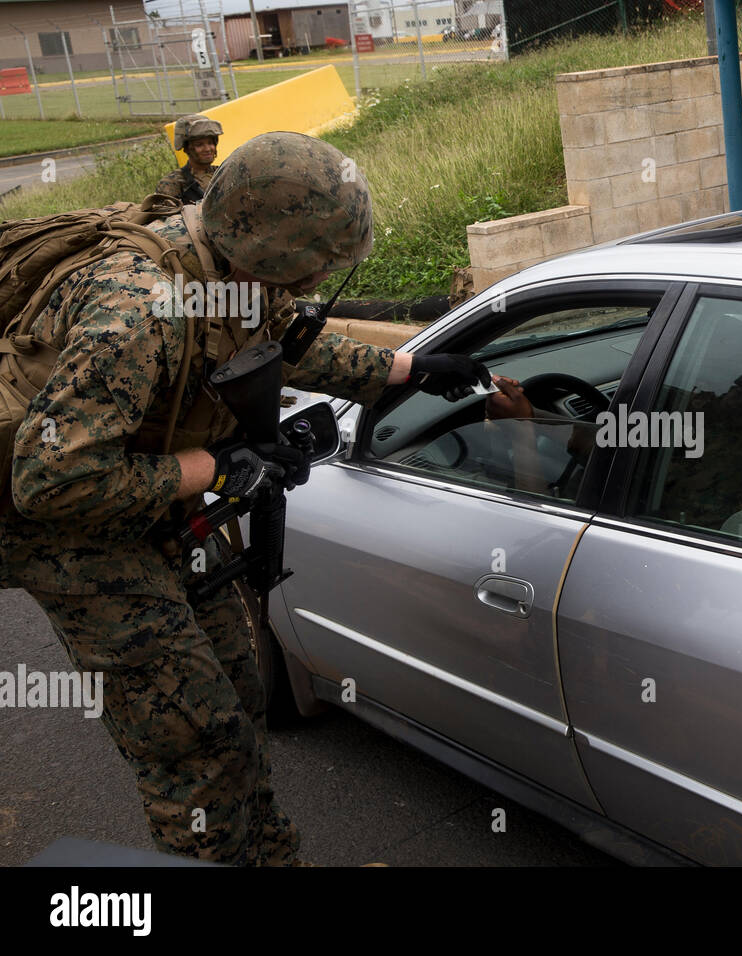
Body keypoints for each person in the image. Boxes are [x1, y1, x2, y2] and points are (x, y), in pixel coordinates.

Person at [1, 131, 488, 865]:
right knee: (194, 740)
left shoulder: (233, 263)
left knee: (237, 691)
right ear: (268, 248)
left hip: (149, 500)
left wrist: (407, 367)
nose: (318, 281)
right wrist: (216, 465)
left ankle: (264, 853)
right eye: (315, 266)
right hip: (72, 536)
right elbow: (50, 481)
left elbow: (285, 335)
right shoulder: (137, 311)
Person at [155, 114, 224, 204]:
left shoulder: (223, 174)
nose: (207, 149)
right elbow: (164, 214)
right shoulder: (173, 183)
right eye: (199, 145)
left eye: (210, 143)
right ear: (187, 148)